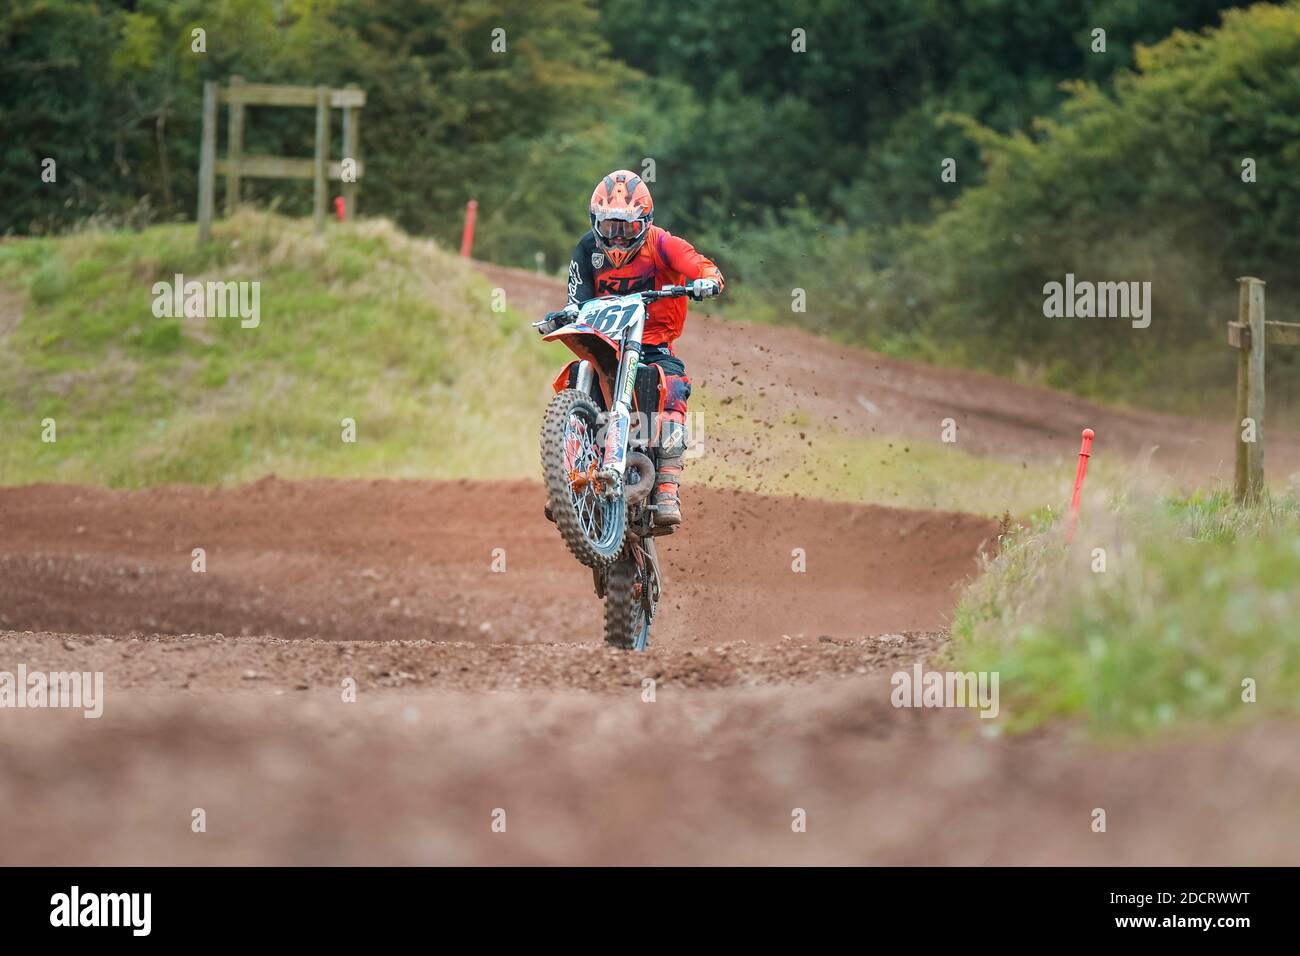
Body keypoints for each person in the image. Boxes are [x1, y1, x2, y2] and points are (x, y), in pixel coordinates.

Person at [552, 169, 723, 527]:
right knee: (575, 374)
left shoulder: (663, 245)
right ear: (594, 221)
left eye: (626, 227)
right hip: (607, 342)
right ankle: (568, 480)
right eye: (609, 226)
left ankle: (666, 487)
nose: (616, 237)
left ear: (644, 222)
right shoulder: (587, 248)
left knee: (673, 387)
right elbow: (577, 296)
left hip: (655, 345)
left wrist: (707, 280)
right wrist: (569, 311)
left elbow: (700, 265)